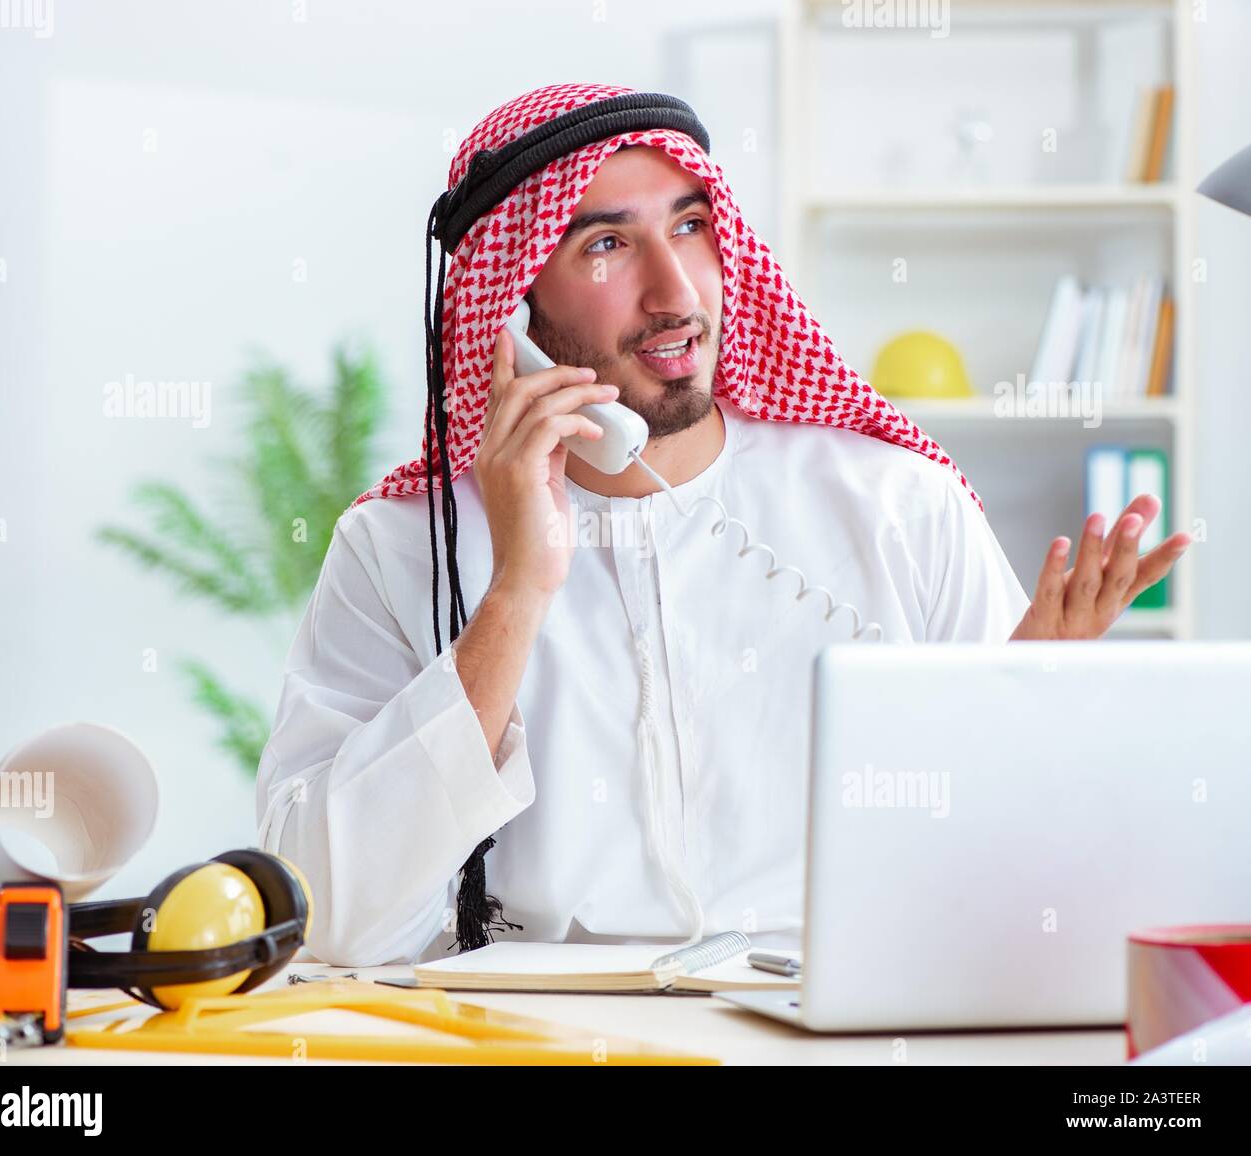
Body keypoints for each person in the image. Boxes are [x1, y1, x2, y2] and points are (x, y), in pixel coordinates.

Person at [255, 84, 1190, 967]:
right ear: (513, 313)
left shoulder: (898, 508)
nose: (676, 292)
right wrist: (514, 593)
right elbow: (326, 916)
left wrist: (1026, 716)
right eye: (606, 246)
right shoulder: (396, 549)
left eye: (691, 228)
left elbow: (1025, 885)